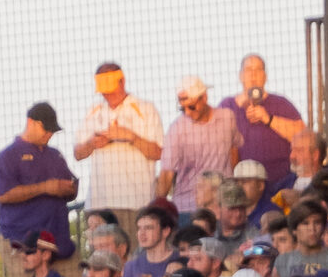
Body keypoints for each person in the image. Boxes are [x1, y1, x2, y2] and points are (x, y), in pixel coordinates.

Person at [73, 65, 164, 237]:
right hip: (99, 205)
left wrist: (131, 137)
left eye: (110, 89)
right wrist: (92, 143)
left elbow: (159, 153)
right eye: (103, 90)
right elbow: (77, 154)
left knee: (132, 259)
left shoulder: (145, 108)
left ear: (122, 81)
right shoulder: (94, 111)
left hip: (136, 203)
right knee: (102, 261)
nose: (106, 94)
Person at [0, 104, 79, 257]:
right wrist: (45, 188)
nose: (49, 134)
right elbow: (3, 194)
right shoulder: (8, 156)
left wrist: (68, 189)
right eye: (46, 129)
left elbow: (72, 187)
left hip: (59, 242)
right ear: (30, 122)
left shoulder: (54, 155)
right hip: (22, 245)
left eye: (52, 131)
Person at [219, 55, 304, 188]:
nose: (253, 74)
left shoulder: (281, 104)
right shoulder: (227, 106)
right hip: (243, 185)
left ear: (265, 76)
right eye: (248, 70)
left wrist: (268, 119)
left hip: (281, 183)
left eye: (258, 69)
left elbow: (302, 135)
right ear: (241, 76)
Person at [156, 78, 238, 212]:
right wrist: (157, 209)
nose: (188, 112)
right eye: (182, 109)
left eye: (192, 106)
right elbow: (166, 173)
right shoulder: (177, 128)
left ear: (204, 98)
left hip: (223, 205)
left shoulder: (227, 118)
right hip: (189, 206)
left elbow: (234, 148)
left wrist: (233, 183)